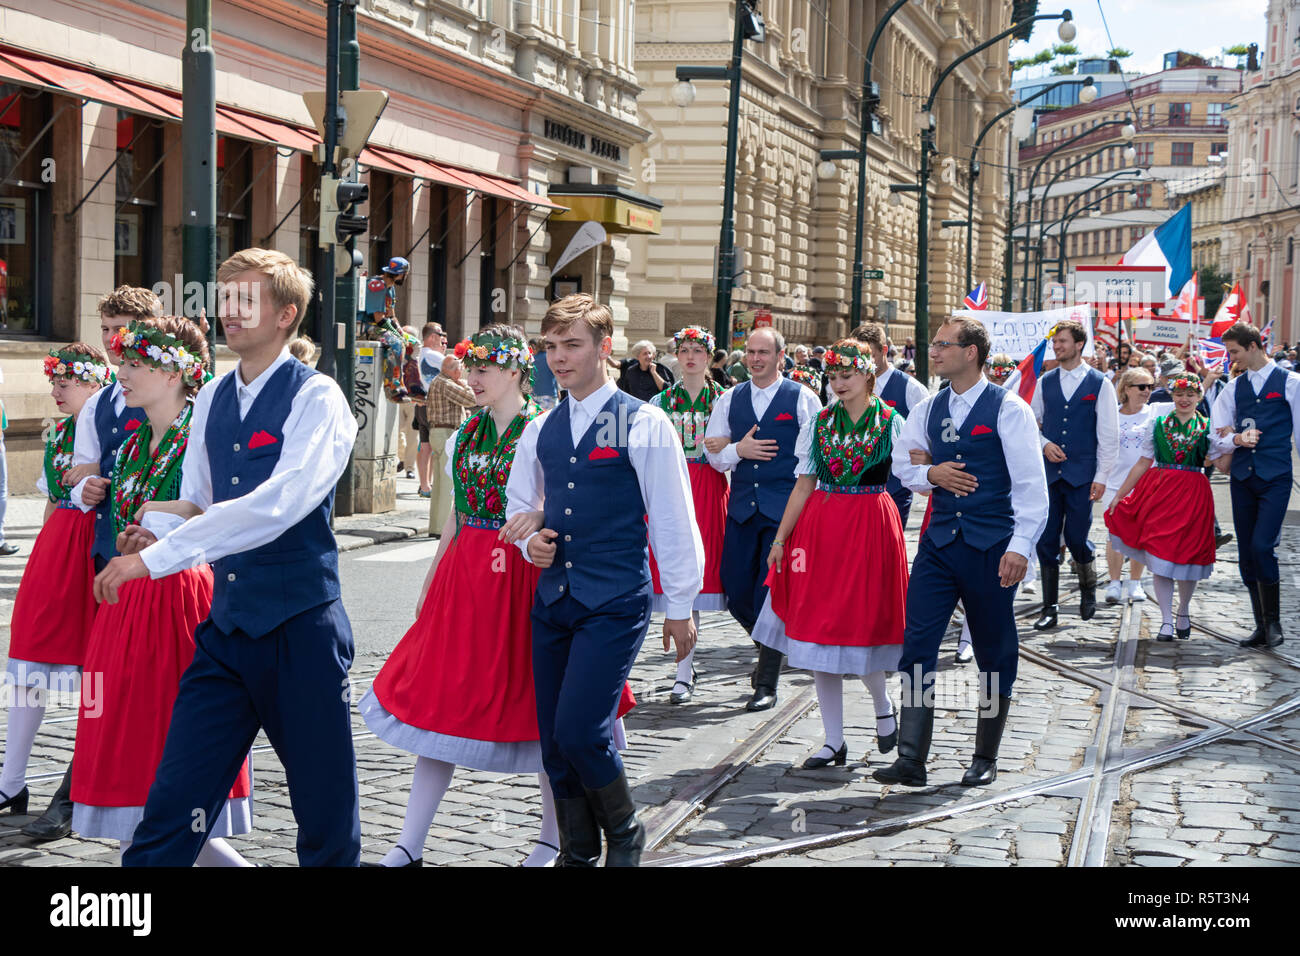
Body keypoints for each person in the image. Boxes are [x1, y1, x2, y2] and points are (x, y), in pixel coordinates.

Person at [93, 248, 362, 866]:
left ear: (287, 315)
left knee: (324, 807)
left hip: (302, 627)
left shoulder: (318, 398)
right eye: (224, 297)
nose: (228, 311)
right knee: (174, 799)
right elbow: (199, 501)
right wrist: (156, 530)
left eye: (246, 299)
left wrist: (157, 560)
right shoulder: (212, 397)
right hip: (226, 626)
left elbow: (280, 503)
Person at [505, 294, 702, 867]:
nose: (559, 358)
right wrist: (528, 542)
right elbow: (522, 504)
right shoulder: (541, 425)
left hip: (616, 596)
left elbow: (671, 515)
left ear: (603, 348)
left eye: (572, 345)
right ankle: (577, 849)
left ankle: (626, 833)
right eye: (551, 347)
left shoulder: (641, 421)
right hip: (554, 598)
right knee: (554, 739)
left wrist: (681, 604)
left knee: (582, 730)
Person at [359, 325, 563, 866]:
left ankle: (551, 836)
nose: (473, 379)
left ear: (516, 371)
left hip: (517, 575)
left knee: (536, 701)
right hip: (465, 572)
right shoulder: (466, 434)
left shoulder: (539, 430)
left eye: (484, 370)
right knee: (438, 699)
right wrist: (433, 574)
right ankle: (409, 842)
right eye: (470, 368)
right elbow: (456, 513)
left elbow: (547, 507)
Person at [70, 317, 253, 867]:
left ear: (175, 373)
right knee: (128, 746)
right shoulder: (128, 446)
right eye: (121, 362)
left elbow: (215, 509)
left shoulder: (201, 435)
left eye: (133, 364)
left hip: (177, 599)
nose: (119, 373)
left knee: (169, 742)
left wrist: (159, 524)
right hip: (128, 601)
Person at [875, 316, 1048, 788]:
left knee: (994, 652)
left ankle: (984, 754)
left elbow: (1033, 488)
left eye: (942, 344)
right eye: (933, 344)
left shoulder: (1008, 409)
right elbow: (902, 463)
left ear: (971, 352)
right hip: (939, 545)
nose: (932, 351)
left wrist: (1020, 548)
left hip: (992, 548)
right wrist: (931, 475)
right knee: (917, 643)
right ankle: (911, 756)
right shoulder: (927, 409)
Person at [22, 285, 160, 843]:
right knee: (101, 680)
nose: (111, 341)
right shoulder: (101, 402)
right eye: (105, 330)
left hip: (166, 561)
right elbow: (77, 474)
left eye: (121, 330)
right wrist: (87, 484)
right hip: (108, 554)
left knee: (158, 683)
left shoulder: (181, 391)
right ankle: (75, 793)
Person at [752, 339, 907, 768]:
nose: (839, 383)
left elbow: (914, 473)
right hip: (821, 529)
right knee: (821, 631)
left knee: (860, 627)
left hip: (870, 524)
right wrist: (781, 539)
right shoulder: (819, 424)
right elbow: (804, 483)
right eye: (833, 376)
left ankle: (882, 706)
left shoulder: (891, 421)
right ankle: (833, 740)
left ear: (867, 376)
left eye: (848, 375)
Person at [0, 345, 110, 820]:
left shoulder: (120, 431)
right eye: (54, 381)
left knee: (97, 674)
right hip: (59, 549)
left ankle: (84, 782)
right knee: (28, 664)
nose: (55, 390)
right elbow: (51, 507)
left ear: (92, 384)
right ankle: (10, 782)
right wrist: (47, 556)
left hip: (98, 552)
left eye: (65, 382)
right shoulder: (60, 432)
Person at [705, 327, 822, 712]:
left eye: (763, 353)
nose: (755, 359)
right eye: (750, 352)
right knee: (736, 591)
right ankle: (772, 650)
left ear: (780, 356)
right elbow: (714, 453)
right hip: (741, 509)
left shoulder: (802, 398)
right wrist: (741, 448)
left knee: (768, 595)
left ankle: (767, 682)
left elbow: (814, 458)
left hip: (783, 511)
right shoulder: (730, 398)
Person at [650, 326, 729, 704]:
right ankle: (683, 668)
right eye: (685, 350)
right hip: (672, 487)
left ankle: (686, 668)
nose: (691, 356)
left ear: (710, 357)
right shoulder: (661, 401)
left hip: (710, 488)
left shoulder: (725, 400)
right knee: (672, 574)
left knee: (701, 576)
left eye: (699, 349)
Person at [1209, 321, 1300, 649]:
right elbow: (1216, 430)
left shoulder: (1290, 382)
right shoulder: (1233, 388)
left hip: (1275, 477)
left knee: (1263, 546)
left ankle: (1274, 621)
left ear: (1253, 346)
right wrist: (1235, 439)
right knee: (1247, 553)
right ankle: (1260, 624)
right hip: (1243, 479)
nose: (1230, 358)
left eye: (1234, 351)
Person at [1105, 374, 1215, 642]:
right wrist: (1120, 494)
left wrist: (1230, 443)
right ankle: (1166, 619)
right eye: (1179, 394)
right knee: (1161, 554)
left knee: (1188, 556)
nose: (1184, 399)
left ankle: (1184, 611)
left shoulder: (1208, 426)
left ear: (1199, 397)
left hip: (1193, 493)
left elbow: (1215, 462)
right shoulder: (1159, 424)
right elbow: (1143, 462)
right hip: (1161, 492)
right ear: (1172, 397)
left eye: (1190, 394)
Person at [1031, 320, 1118, 631]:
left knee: (1079, 538)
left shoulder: (1100, 383)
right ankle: (1050, 606)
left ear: (1079, 344)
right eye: (1055, 342)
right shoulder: (1045, 382)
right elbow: (1031, 424)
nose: (1057, 347)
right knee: (1046, 540)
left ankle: (1087, 587)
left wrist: (1102, 476)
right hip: (1050, 474)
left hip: (1083, 474)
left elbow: (1109, 435)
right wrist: (1044, 445)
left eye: (1063, 342)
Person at [855, 322, 929, 529]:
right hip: (854, 487)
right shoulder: (848, 385)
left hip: (895, 486)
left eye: (869, 355)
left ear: (884, 351)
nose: (863, 362)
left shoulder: (911, 388)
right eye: (858, 356)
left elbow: (926, 435)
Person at [1101, 368, 1157, 605]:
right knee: (1114, 535)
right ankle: (1114, 582)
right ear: (1126, 389)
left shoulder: (1154, 415)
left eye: (1150, 387)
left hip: (1144, 485)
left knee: (1141, 535)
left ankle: (1134, 582)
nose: (1147, 392)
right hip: (1114, 482)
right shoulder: (1111, 415)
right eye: (1141, 387)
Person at [425, 353, 477, 535]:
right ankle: (442, 529)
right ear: (454, 370)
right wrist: (464, 384)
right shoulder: (447, 383)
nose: (461, 372)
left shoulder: (438, 381)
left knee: (439, 483)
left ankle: (435, 526)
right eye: (460, 369)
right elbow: (472, 399)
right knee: (447, 483)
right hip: (445, 432)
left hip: (438, 432)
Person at [412, 322, 446, 493]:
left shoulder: (420, 354)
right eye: (440, 335)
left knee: (425, 445)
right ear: (432, 337)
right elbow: (455, 369)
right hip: (434, 405)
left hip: (421, 403)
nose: (442, 339)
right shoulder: (434, 356)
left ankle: (425, 484)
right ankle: (429, 484)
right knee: (435, 446)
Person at [531, 336, 560, 410]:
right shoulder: (551, 358)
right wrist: (558, 390)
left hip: (534, 395)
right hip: (550, 394)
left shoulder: (532, 359)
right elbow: (557, 376)